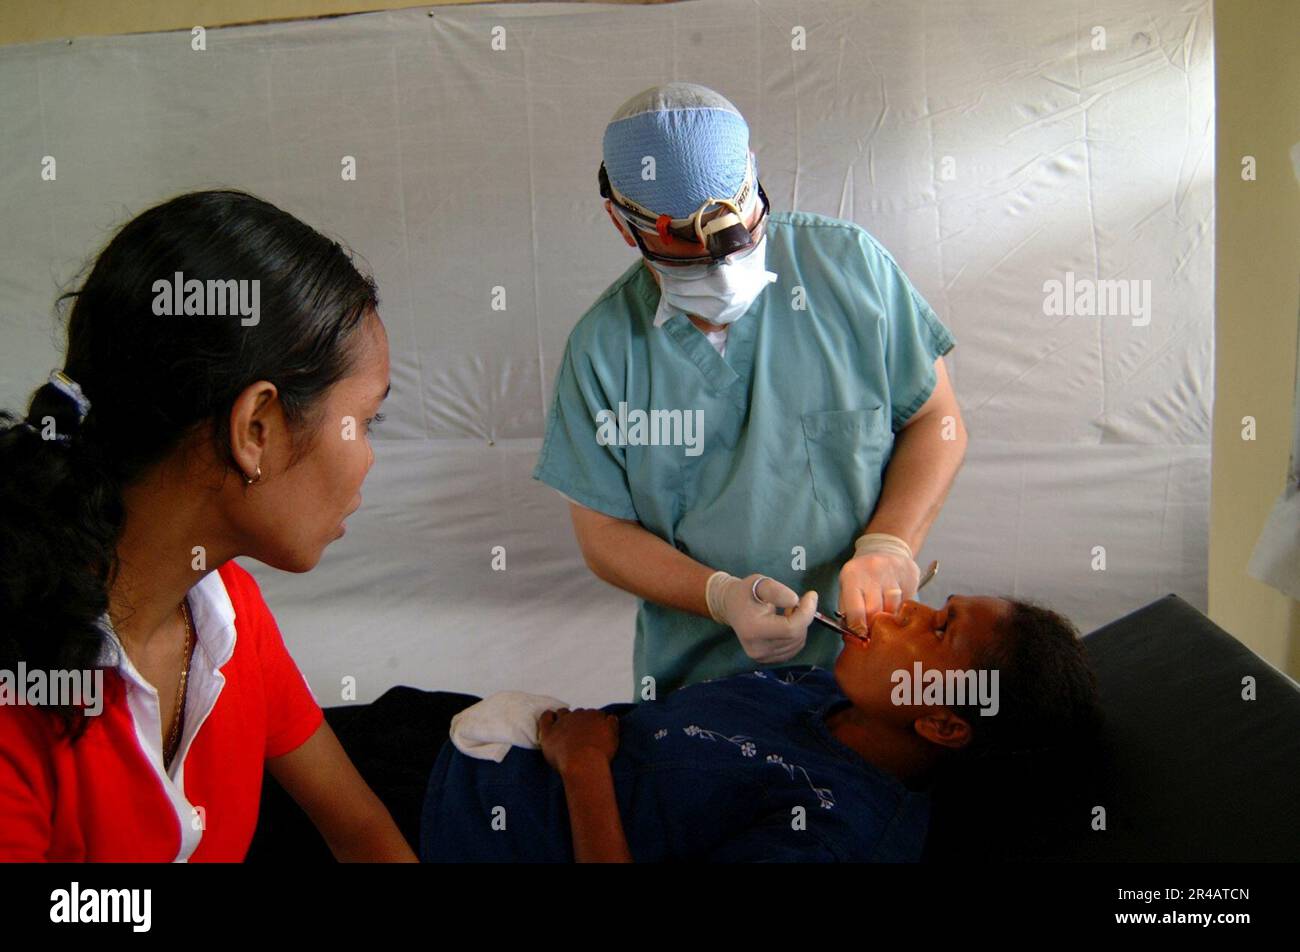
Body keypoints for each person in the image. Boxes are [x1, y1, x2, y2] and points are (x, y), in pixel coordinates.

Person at [0, 190, 412, 861]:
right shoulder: (21, 699)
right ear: (257, 428)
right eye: (364, 422)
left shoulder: (231, 620)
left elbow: (363, 832)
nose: (367, 458)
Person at [533, 83, 967, 699]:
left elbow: (936, 422)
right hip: (700, 680)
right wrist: (720, 596)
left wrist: (890, 543)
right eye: (686, 249)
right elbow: (604, 536)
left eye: (742, 232)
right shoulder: (603, 351)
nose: (723, 269)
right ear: (621, 224)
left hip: (861, 669)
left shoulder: (850, 270)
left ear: (755, 181)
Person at [420, 595, 1102, 862]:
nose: (903, 607)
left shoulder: (842, 838)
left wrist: (584, 768)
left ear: (944, 722)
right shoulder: (821, 690)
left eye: (938, 627)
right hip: (469, 744)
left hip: (444, 831)